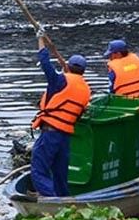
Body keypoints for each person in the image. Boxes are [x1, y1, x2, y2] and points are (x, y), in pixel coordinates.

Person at [30, 33, 92, 197]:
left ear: (69, 67)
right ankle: (64, 200)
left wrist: (40, 41)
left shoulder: (60, 81)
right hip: (65, 137)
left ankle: (53, 201)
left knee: (38, 171)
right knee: (60, 174)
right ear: (83, 71)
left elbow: (45, 64)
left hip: (51, 133)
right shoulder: (86, 90)